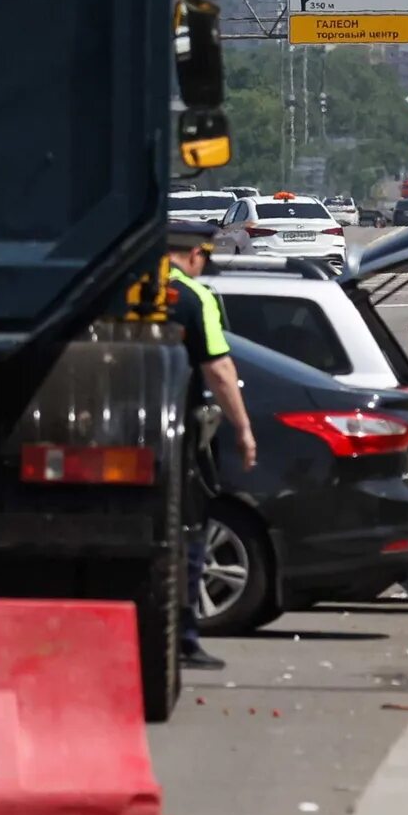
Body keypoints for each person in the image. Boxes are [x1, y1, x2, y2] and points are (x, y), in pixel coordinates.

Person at [164, 218, 255, 671]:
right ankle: (183, 636)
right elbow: (218, 370)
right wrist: (243, 429)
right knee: (190, 532)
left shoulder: (122, 290)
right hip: (177, 440)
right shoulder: (191, 297)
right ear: (195, 255)